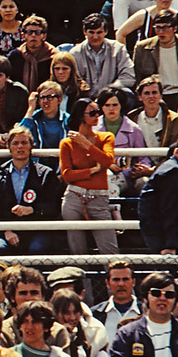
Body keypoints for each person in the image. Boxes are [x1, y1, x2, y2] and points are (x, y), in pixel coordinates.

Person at [59, 97, 118, 255]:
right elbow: (67, 176)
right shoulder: (67, 143)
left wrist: (85, 143)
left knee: (110, 251)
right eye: (92, 113)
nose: (97, 116)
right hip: (73, 198)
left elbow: (107, 161)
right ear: (81, 116)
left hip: (99, 199)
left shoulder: (106, 137)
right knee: (77, 252)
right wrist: (92, 171)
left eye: (98, 112)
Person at [0, 125, 59, 256]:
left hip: (37, 230)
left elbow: (53, 207)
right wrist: (6, 231)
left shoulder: (45, 174)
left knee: (37, 250)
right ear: (9, 147)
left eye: (24, 143)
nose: (20, 147)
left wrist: (32, 210)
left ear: (31, 146)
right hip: (8, 231)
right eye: (15, 143)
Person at [132, 10, 178, 111]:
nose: (161, 32)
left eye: (165, 27)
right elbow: (137, 76)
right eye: (158, 28)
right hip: (157, 95)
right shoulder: (142, 47)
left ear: (175, 28)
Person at [69, 14, 135, 99]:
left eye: (99, 32)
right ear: (84, 32)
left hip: (112, 97)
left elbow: (129, 77)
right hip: (85, 99)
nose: (95, 37)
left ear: (106, 31)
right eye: (91, 33)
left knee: (128, 93)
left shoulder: (118, 49)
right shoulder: (75, 53)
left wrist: (108, 91)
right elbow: (74, 80)